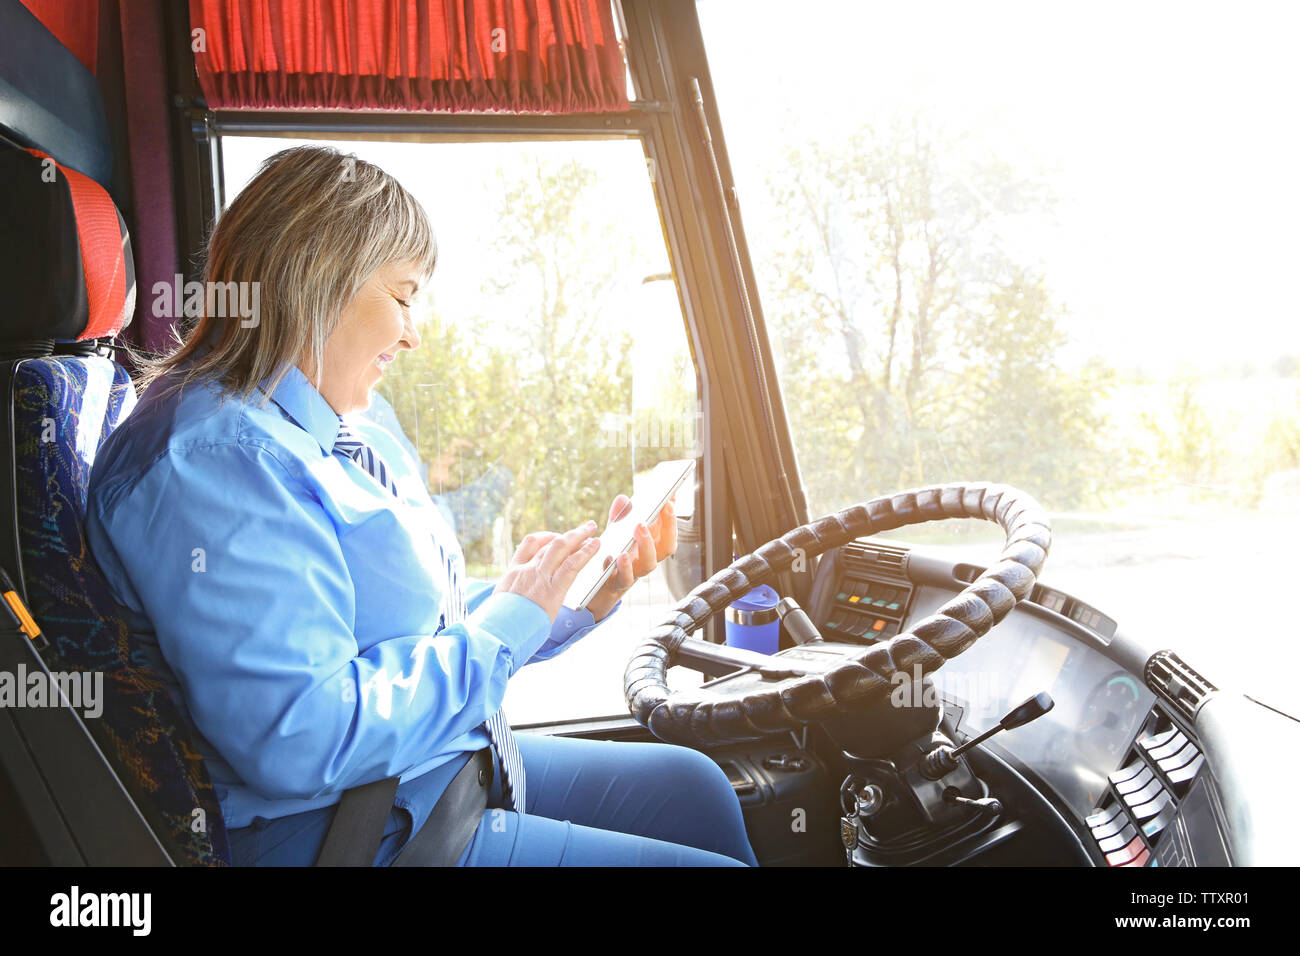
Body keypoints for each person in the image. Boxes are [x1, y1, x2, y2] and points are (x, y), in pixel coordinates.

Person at [86, 146, 757, 867]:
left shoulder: (329, 426)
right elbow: (304, 735)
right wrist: (506, 628)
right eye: (402, 297)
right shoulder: (214, 465)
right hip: (347, 828)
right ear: (317, 281)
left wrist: (554, 604)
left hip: (425, 774)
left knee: (695, 787)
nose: (413, 332)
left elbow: (379, 623)